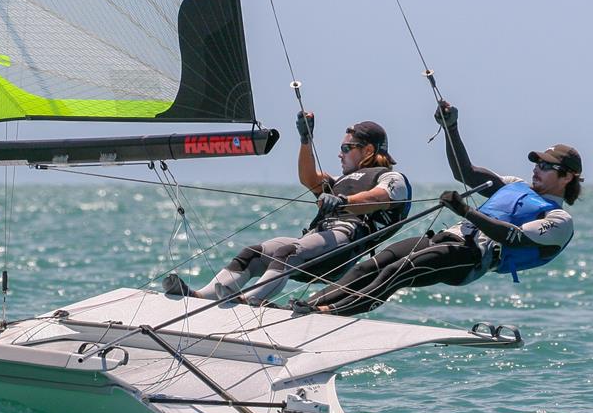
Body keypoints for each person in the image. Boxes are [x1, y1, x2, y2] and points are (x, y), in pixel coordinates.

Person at [291, 100, 584, 316]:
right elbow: (464, 172)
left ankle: (328, 313)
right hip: (445, 238)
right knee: (373, 264)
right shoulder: (513, 184)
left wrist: (466, 211)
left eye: (547, 166)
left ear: (567, 176)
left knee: (399, 270)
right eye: (537, 163)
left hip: (471, 257)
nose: (537, 169)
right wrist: (451, 128)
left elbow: (513, 237)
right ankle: (307, 305)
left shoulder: (559, 219)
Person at [163, 110, 412, 305]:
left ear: (368, 150)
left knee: (287, 253)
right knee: (253, 253)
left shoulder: (392, 178)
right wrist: (306, 140)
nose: (340, 154)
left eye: (346, 148)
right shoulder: (339, 181)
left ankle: (251, 301)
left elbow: (377, 198)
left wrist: (344, 202)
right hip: (318, 241)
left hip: (342, 247)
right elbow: (309, 178)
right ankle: (202, 297)